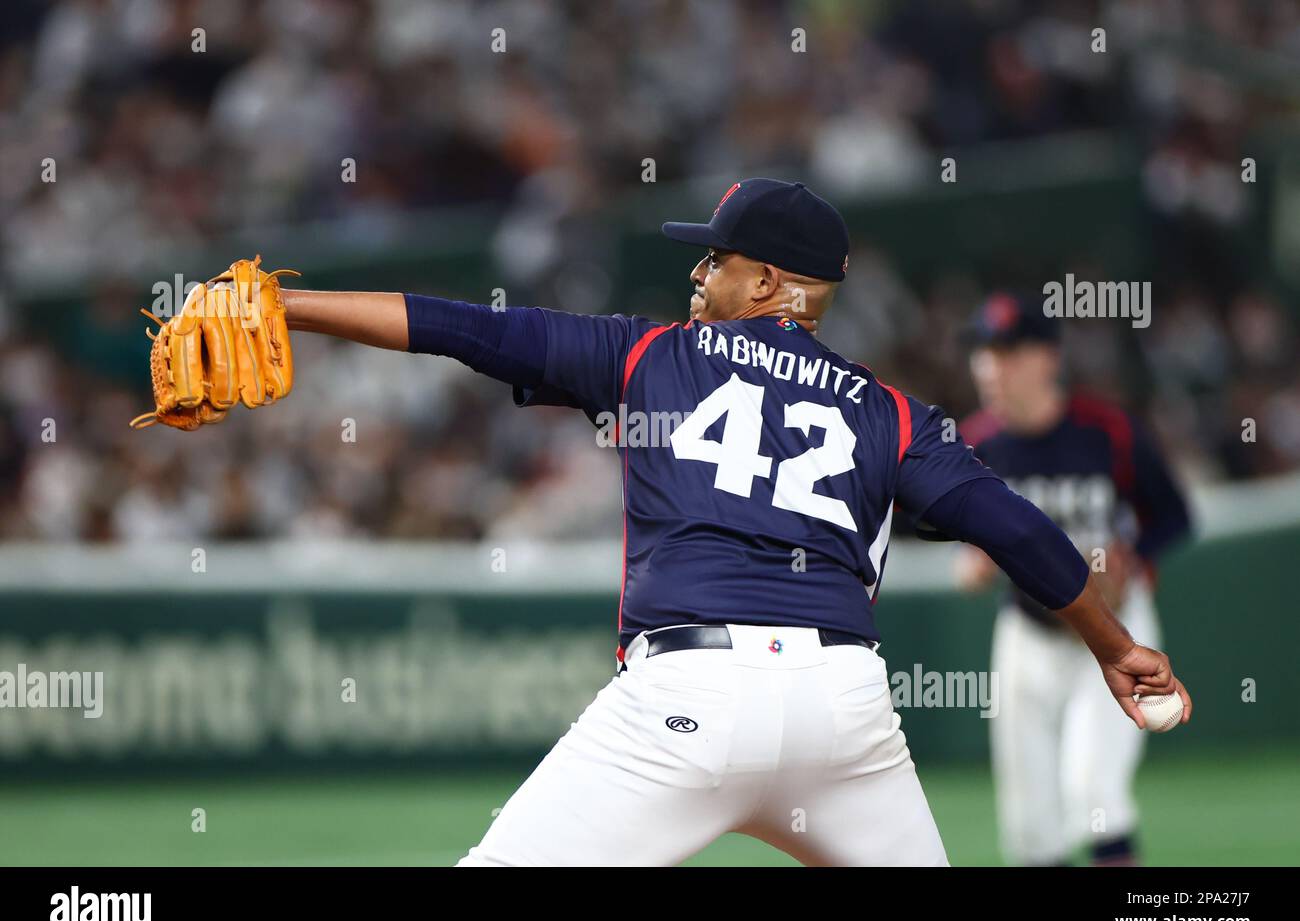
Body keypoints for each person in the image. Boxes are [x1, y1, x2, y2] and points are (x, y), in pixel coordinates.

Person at [273, 179, 1190, 865]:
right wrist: (1113, 646)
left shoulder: (648, 353)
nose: (697, 270)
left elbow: (464, 327)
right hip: (843, 714)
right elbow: (1016, 529)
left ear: (767, 283)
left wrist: (286, 307)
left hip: (688, 697)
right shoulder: (891, 411)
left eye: (716, 258)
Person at [957, 292, 1192, 866]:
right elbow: (961, 540)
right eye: (985, 353)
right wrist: (976, 559)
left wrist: (1132, 557)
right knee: (1031, 828)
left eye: (1009, 352)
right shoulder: (974, 444)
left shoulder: (1106, 430)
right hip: (1029, 632)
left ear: (1049, 358)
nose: (992, 368)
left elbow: (1173, 516)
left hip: (1111, 631)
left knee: (1094, 791)